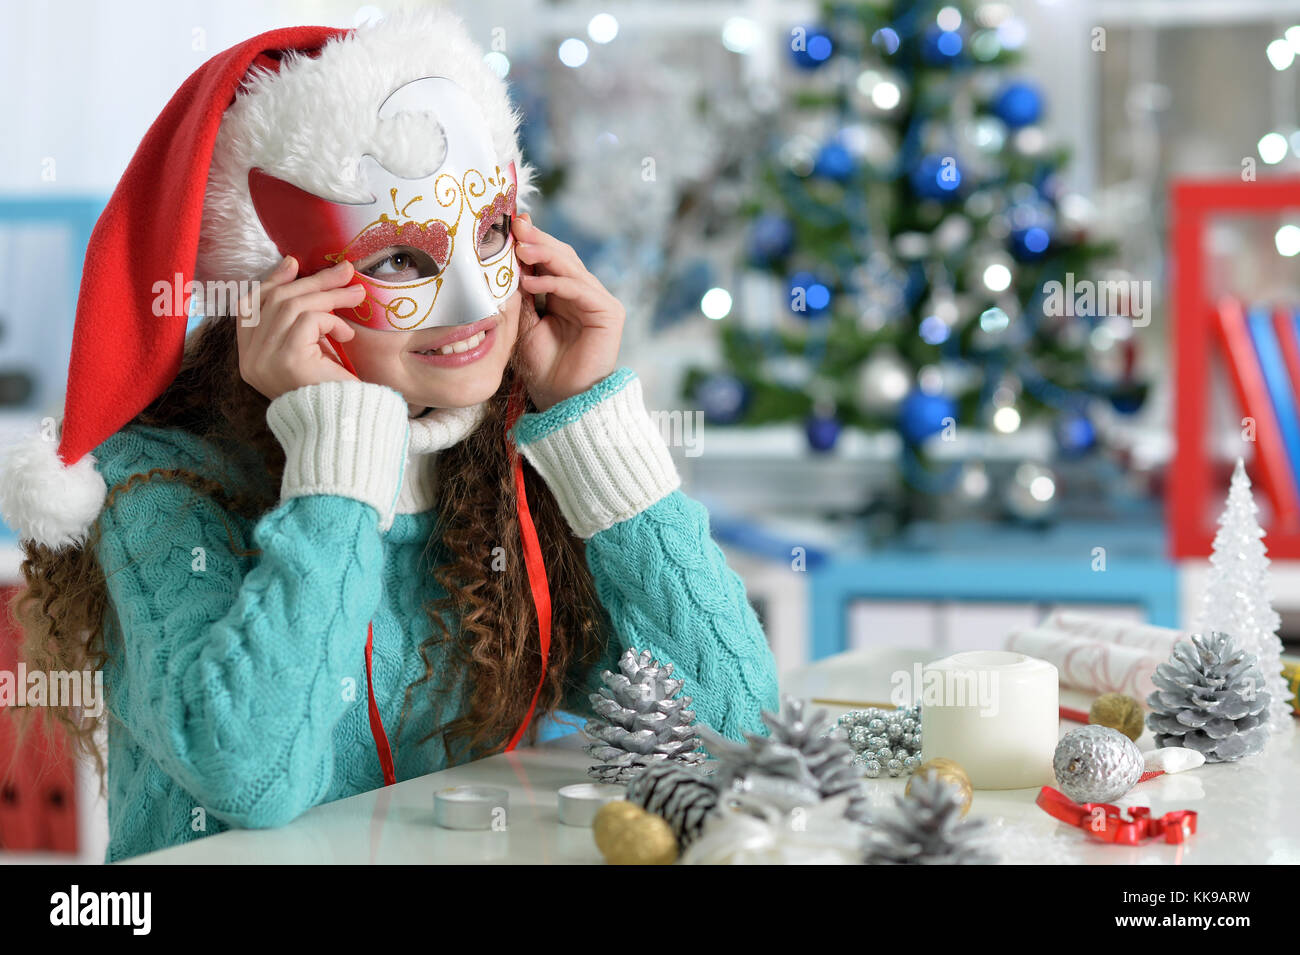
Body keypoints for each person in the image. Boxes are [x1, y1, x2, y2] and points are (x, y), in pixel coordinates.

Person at [0, 7, 779, 862]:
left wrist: (594, 425)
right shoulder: (159, 483)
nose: (478, 303)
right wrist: (335, 461)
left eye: (488, 234)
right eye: (400, 260)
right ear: (276, 292)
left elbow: (730, 725)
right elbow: (252, 775)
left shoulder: (510, 461)